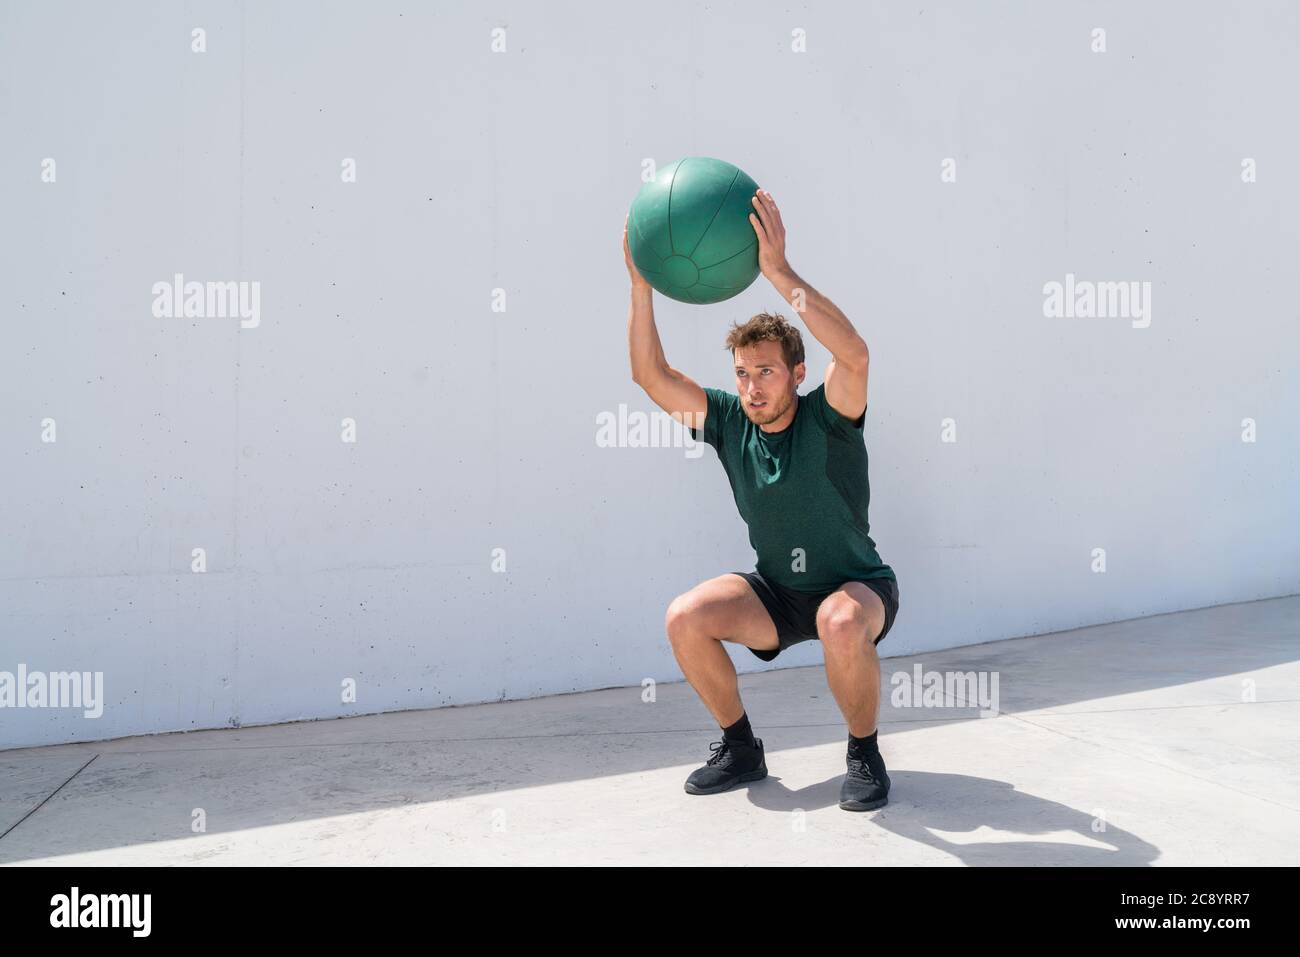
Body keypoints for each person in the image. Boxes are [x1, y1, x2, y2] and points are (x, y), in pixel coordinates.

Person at [623, 189, 900, 811]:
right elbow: (650, 375)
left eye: (767, 372)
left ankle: (863, 752)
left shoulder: (830, 416)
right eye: (743, 373)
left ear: (798, 374)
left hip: (856, 586)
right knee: (685, 616)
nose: (751, 386)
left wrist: (777, 271)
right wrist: (642, 286)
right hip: (777, 592)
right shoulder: (727, 421)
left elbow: (854, 353)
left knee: (841, 621)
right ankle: (741, 747)